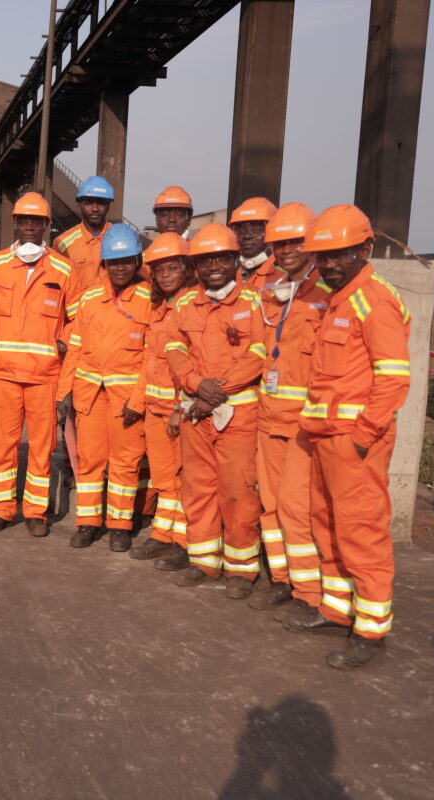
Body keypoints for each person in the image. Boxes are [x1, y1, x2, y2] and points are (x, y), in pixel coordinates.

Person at [283, 204, 411, 671]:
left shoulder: (374, 300)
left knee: (361, 533)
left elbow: (394, 379)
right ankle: (337, 609)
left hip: (354, 441)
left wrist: (363, 436)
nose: (329, 264)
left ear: (366, 249)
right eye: (323, 256)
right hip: (324, 436)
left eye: (340, 255)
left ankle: (371, 631)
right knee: (327, 526)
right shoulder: (336, 298)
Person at [164, 223, 267, 597]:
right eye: (205, 260)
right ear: (197, 265)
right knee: (198, 488)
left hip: (236, 415)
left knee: (238, 492)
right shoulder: (185, 304)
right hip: (197, 413)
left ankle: (241, 570)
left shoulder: (253, 302)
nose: (213, 267)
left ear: (234, 259)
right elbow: (174, 350)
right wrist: (193, 384)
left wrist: (218, 390)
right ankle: (204, 561)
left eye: (220, 258)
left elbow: (260, 352)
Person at [0, 192, 81, 537]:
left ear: (47, 225)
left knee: (42, 445)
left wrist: (63, 342)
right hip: (5, 373)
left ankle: (35, 512)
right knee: (2, 444)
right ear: (16, 223)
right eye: (24, 221)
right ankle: (2, 510)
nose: (30, 227)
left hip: (45, 374)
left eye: (37, 221)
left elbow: (77, 317)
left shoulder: (63, 269)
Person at [249, 202, 328, 616]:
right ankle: (282, 580)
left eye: (295, 241)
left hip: (304, 423)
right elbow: (260, 351)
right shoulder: (271, 293)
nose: (287, 250)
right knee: (271, 504)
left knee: (299, 508)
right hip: (269, 415)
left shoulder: (329, 294)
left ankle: (309, 593)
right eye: (279, 243)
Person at [58, 225, 151, 551]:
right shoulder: (90, 299)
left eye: (127, 260)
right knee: (89, 460)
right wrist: (63, 392)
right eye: (114, 261)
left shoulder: (147, 301)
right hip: (89, 395)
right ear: (105, 265)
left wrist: (138, 401)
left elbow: (150, 359)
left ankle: (119, 526)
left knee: (125, 464)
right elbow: (76, 349)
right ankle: (88, 522)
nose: (121, 267)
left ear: (137, 260)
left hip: (126, 400)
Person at [129, 233, 194, 569]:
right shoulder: (158, 309)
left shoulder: (193, 307)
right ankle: (162, 534)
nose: (166, 275)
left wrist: (181, 408)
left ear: (186, 269)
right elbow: (148, 363)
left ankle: (183, 542)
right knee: (164, 477)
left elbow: (196, 364)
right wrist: (137, 403)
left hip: (177, 411)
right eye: (160, 270)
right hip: (155, 409)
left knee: (183, 478)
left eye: (173, 268)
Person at [54, 176, 114, 292]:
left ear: (108, 206)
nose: (95, 209)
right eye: (89, 203)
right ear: (79, 206)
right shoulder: (63, 244)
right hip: (77, 309)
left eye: (101, 203)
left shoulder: (121, 240)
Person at [230, 196, 278, 287]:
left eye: (256, 229)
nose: (247, 236)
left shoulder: (286, 274)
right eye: (241, 230)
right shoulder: (230, 276)